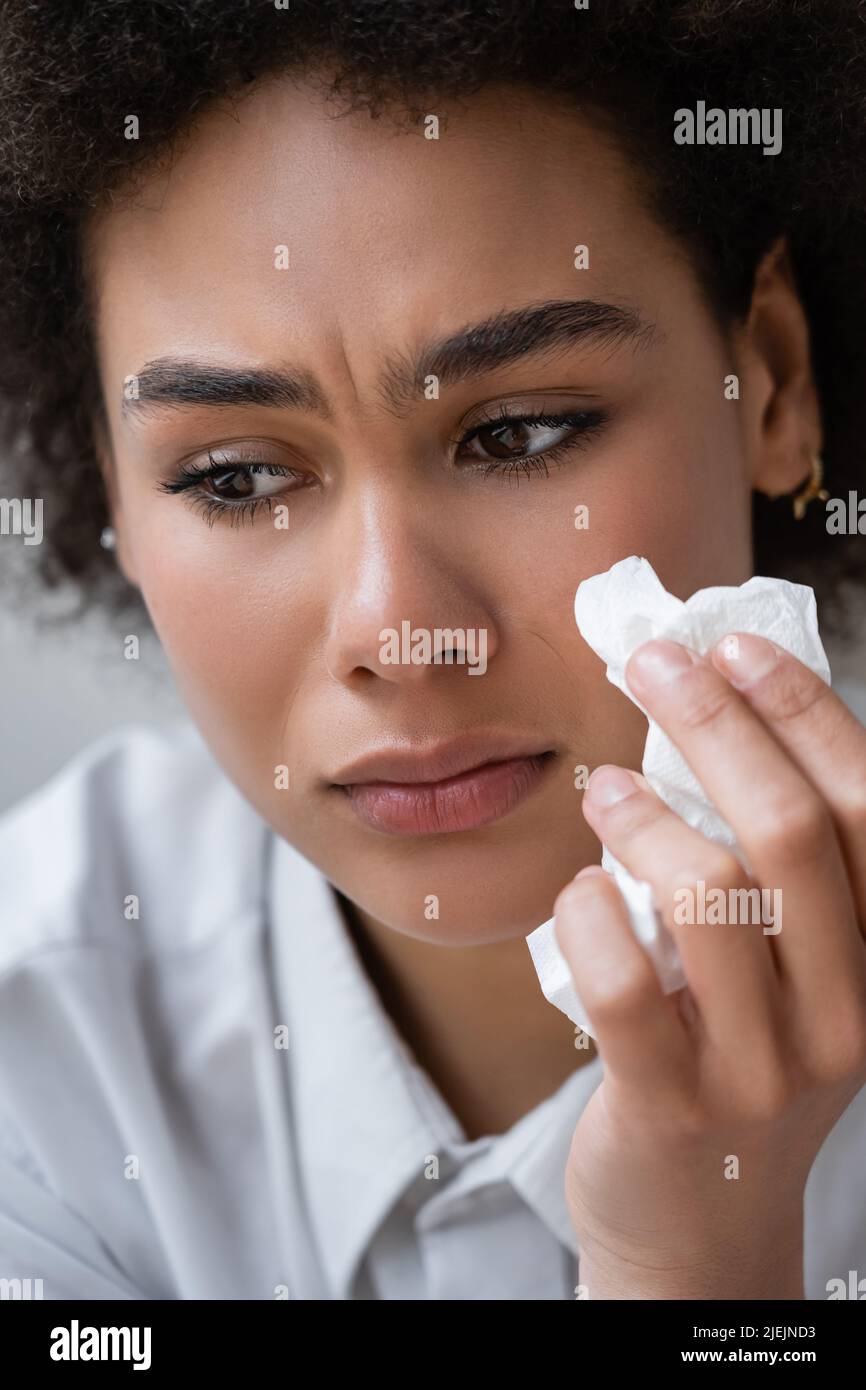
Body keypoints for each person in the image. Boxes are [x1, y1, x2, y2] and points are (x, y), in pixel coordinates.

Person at [0, 0, 865, 1301]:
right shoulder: (36, 1051)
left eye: (516, 434)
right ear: (108, 488)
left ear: (775, 385)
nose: (397, 631)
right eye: (235, 476)